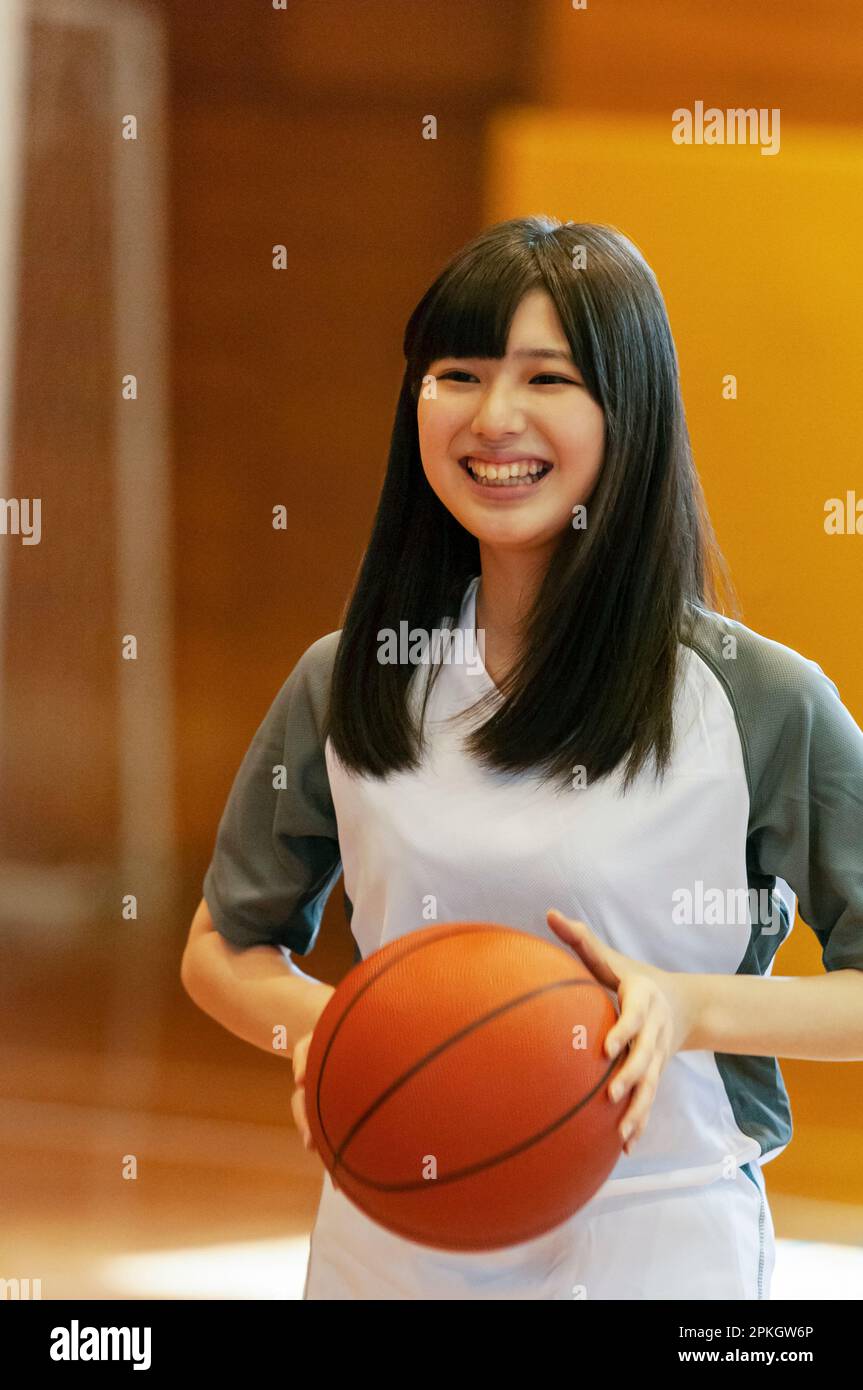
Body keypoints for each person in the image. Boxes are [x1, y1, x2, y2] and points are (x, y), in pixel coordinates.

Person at [181, 216, 863, 1300]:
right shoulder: (345, 677)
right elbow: (221, 945)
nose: (492, 417)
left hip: (658, 1240)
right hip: (386, 1236)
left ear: (627, 410)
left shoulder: (759, 699)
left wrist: (686, 1008)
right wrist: (354, 1038)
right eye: (457, 372)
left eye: (547, 378)